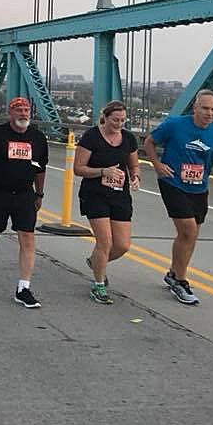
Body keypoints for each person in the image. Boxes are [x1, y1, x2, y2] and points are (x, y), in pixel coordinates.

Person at [143, 89, 213, 305]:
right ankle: (180, 281)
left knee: (191, 236)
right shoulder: (175, 124)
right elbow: (149, 142)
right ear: (195, 108)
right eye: (205, 108)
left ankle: (174, 272)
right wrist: (157, 164)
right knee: (188, 230)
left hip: (199, 188)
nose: (209, 113)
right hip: (172, 182)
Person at [0, 97, 48, 308]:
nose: (23, 113)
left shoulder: (38, 138)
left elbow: (40, 169)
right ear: (10, 113)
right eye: (19, 110)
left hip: (24, 194)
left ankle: (23, 288)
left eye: (26, 110)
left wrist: (39, 194)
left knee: (28, 238)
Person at [73, 101, 141, 304]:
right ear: (106, 117)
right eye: (115, 120)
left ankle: (96, 262)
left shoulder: (128, 138)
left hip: (120, 195)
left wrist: (135, 176)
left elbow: (134, 164)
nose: (119, 124)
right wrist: (103, 171)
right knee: (105, 242)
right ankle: (99, 285)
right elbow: (78, 168)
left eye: (123, 120)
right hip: (95, 194)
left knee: (122, 245)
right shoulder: (92, 136)